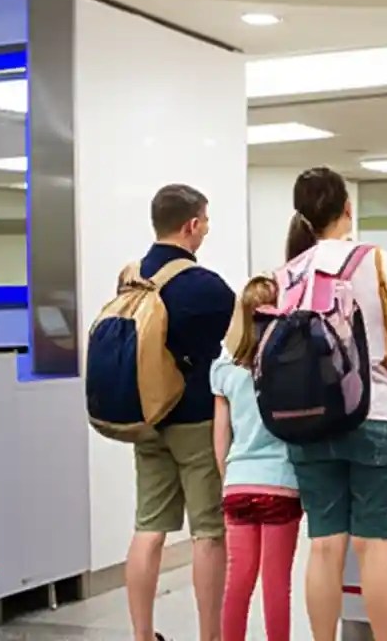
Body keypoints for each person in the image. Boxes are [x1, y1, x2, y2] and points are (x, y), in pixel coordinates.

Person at [282, 166, 387, 641]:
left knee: (324, 548)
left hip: (309, 421)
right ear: (348, 208)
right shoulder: (377, 261)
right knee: (374, 548)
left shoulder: (288, 272)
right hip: (377, 413)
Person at [128, 184, 236, 641]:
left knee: (148, 529)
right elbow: (243, 341)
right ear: (192, 225)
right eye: (206, 221)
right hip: (195, 420)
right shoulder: (205, 286)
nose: (206, 230)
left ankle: (142, 635)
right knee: (208, 532)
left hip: (144, 419)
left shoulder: (130, 277)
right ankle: (210, 636)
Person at [212, 276, 302, 641]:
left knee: (238, 580)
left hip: (237, 484)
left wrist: (227, 477)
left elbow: (221, 436)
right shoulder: (292, 365)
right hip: (280, 483)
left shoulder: (225, 367)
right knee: (276, 584)